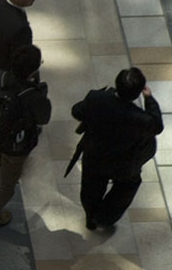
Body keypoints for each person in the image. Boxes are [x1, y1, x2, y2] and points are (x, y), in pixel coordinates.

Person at [69, 67, 163, 230]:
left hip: (95, 156)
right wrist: (149, 99)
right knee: (126, 188)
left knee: (91, 188)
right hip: (124, 164)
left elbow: (77, 111)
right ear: (138, 92)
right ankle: (105, 218)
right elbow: (157, 126)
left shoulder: (96, 98)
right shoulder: (142, 119)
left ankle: (90, 216)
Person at [0, 46, 50, 230]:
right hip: (16, 146)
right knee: (6, 182)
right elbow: (43, 118)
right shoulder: (33, 96)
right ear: (33, 70)